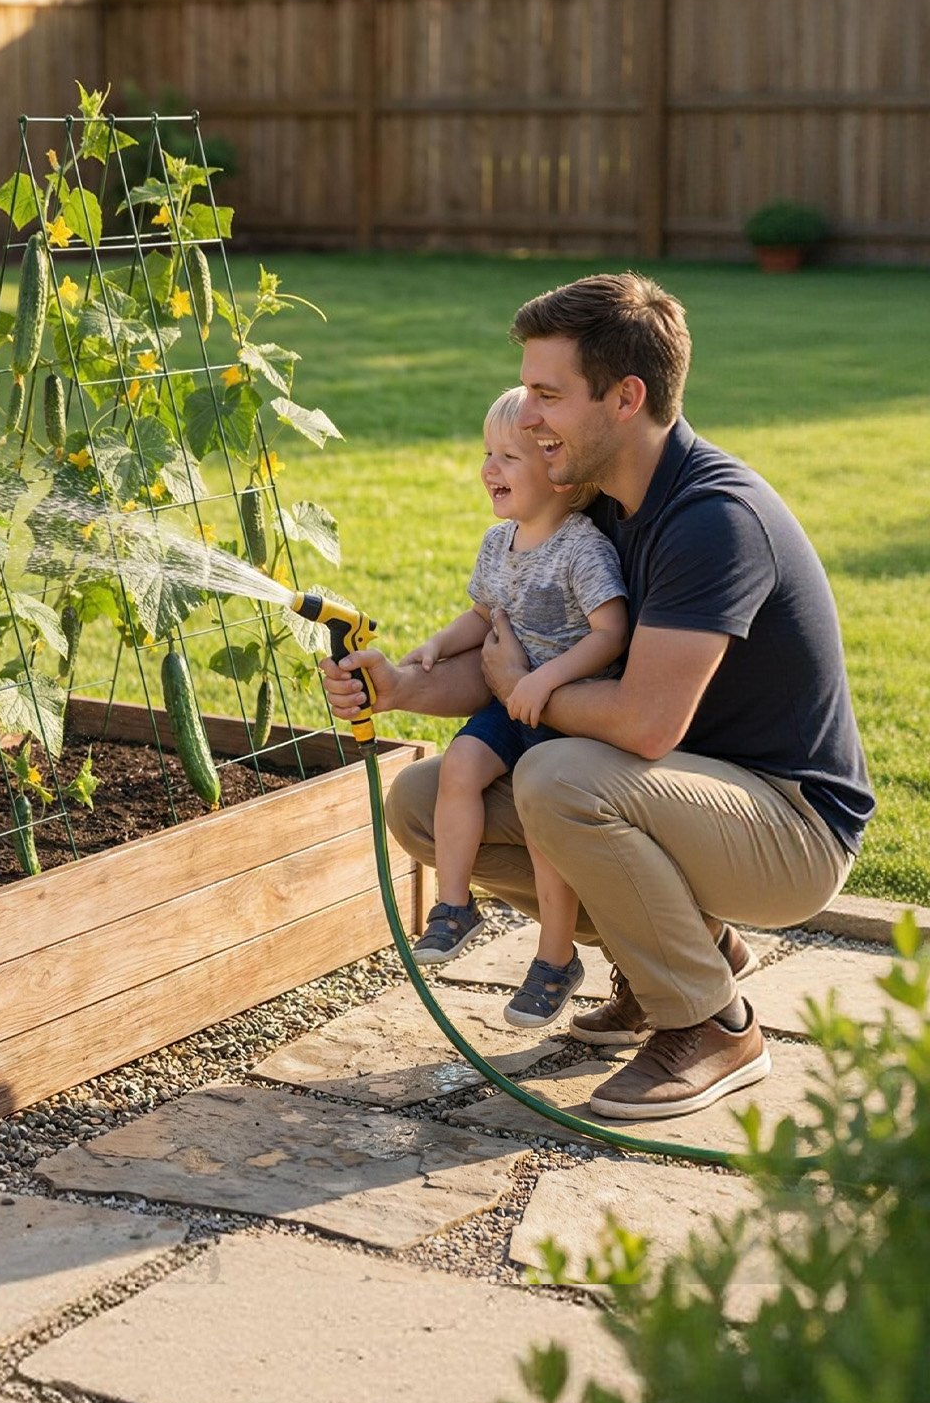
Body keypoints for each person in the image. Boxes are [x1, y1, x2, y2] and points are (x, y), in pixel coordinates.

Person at [322, 272, 872, 1121]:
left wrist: (518, 690)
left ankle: (711, 1024)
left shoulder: (712, 519)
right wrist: (399, 688)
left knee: (559, 779)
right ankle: (688, 953)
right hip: (682, 795)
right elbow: (511, 664)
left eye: (549, 395)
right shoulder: (600, 507)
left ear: (626, 398)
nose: (529, 416)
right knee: (425, 804)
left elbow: (644, 724)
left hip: (791, 828)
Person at [406, 386, 628, 1033]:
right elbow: (483, 615)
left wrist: (547, 681)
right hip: (513, 704)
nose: (489, 469)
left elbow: (611, 632)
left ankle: (555, 960)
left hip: (566, 719)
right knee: (459, 767)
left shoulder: (583, 548)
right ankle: (454, 907)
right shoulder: (497, 543)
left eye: (508, 457)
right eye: (487, 454)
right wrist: (438, 644)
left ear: (560, 475)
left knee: (542, 829)